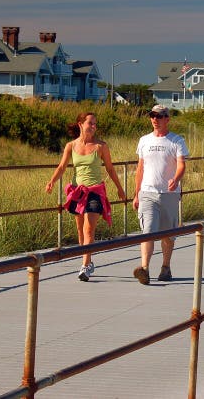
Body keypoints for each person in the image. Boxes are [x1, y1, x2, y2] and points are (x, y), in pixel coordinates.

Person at [46, 112, 126, 282]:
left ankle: (85, 266)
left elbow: (110, 169)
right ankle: (88, 261)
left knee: (89, 229)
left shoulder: (101, 146)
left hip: (95, 191)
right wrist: (52, 181)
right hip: (78, 192)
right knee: (80, 231)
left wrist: (120, 189)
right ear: (80, 124)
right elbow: (62, 167)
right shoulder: (71, 146)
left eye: (95, 124)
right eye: (90, 123)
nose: (93, 126)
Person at [132, 105, 189, 285]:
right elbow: (140, 168)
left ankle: (165, 267)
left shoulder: (176, 141)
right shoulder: (144, 141)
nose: (155, 119)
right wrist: (136, 194)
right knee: (147, 231)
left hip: (169, 194)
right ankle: (145, 269)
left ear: (167, 119)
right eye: (152, 116)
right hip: (147, 193)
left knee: (167, 235)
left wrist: (176, 178)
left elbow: (181, 165)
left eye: (160, 116)